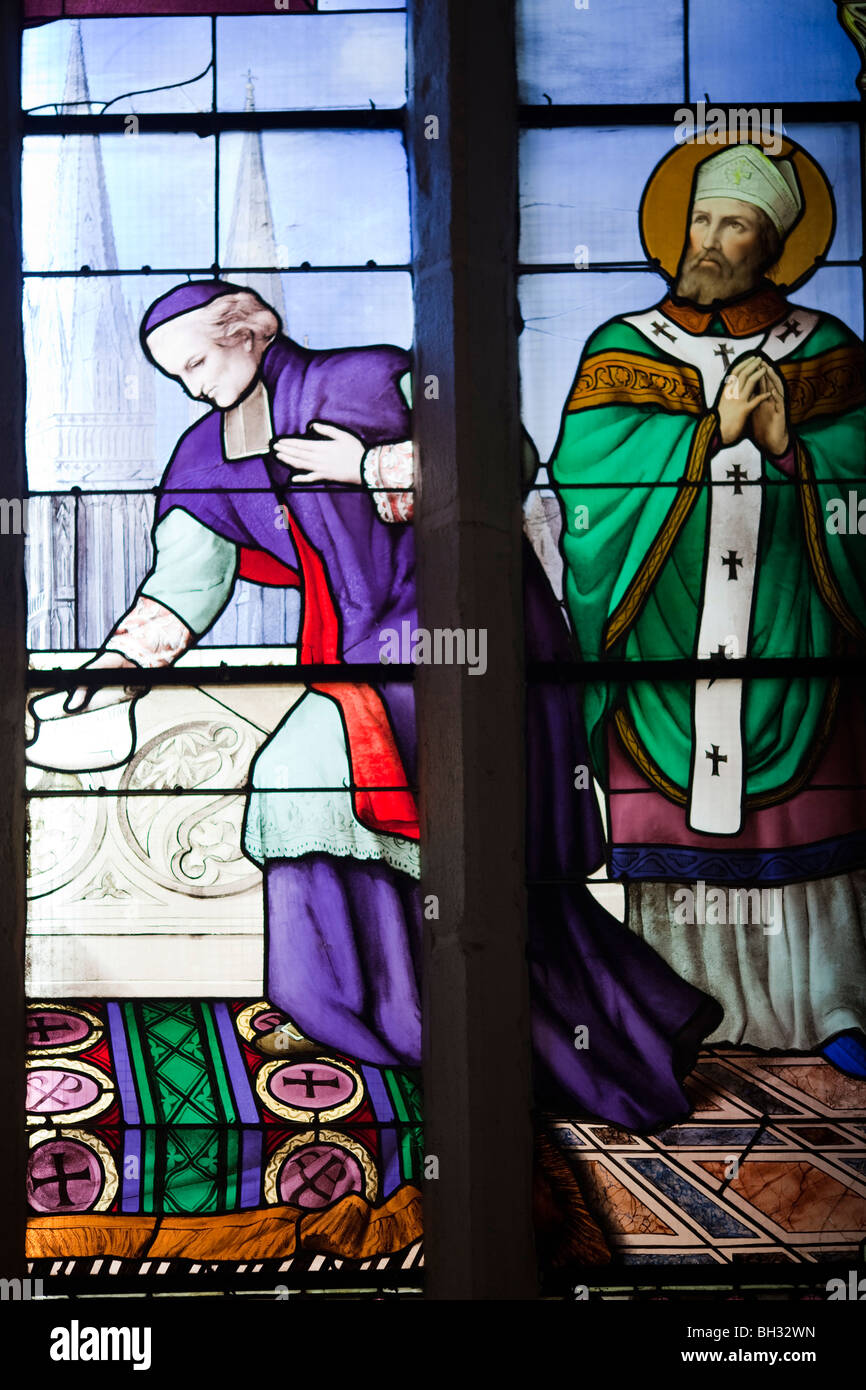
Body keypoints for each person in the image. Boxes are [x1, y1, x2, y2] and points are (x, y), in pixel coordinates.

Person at [66, 278, 721, 1129]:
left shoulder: (372, 380)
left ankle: (408, 1017)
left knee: (338, 792)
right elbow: (183, 586)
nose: (192, 384)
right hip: (362, 662)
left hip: (468, 639)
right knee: (312, 796)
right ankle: (360, 1010)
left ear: (250, 330)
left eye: (196, 361)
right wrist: (117, 664)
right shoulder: (206, 455)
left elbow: (506, 459)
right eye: (176, 374)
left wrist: (373, 464)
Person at [551, 141, 866, 1074]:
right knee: (673, 838)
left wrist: (789, 447)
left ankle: (837, 1007)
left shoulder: (829, 351)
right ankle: (677, 1015)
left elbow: (859, 472)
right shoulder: (624, 347)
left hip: (797, 637)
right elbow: (586, 480)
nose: (710, 241)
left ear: (774, 242)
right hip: (667, 650)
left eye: (736, 224)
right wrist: (705, 435)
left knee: (819, 829)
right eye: (700, 220)